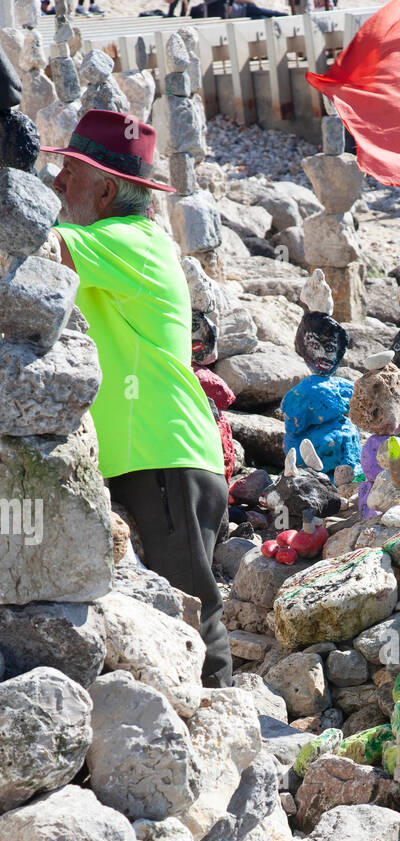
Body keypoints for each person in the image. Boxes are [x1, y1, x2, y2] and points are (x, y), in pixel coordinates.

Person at [43, 109, 233, 688]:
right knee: (161, 612)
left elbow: (39, 245)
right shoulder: (127, 241)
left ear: (104, 190)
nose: (55, 185)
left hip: (161, 455)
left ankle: (231, 734)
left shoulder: (127, 240)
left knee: (190, 613)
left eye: (67, 173)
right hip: (146, 455)